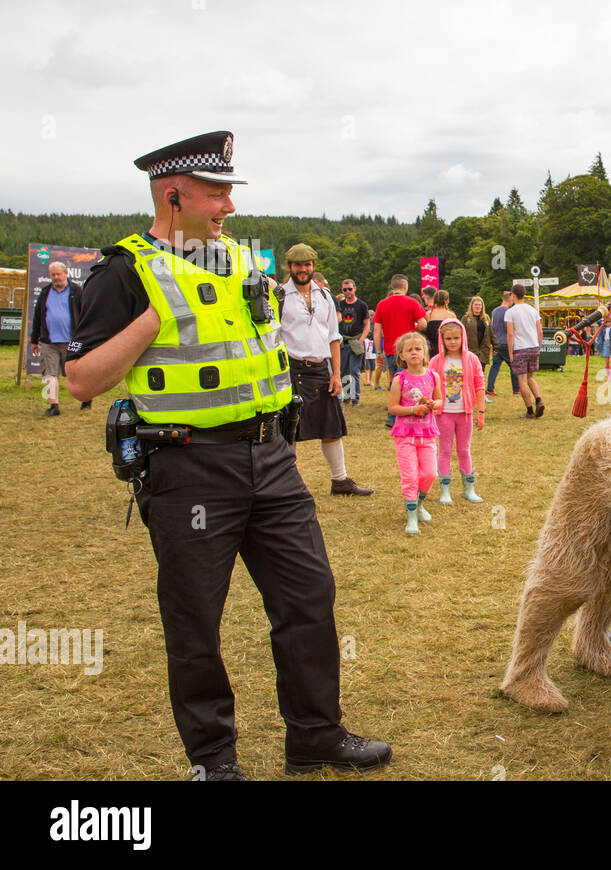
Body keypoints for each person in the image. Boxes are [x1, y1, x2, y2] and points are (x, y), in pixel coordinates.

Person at [63, 131, 390, 780]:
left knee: (309, 598)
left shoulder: (239, 261)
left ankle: (316, 737)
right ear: (174, 194)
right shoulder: (124, 271)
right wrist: (151, 321)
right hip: (189, 472)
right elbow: (82, 380)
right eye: (217, 193)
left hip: (271, 459)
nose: (229, 206)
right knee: (196, 626)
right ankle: (214, 762)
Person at [279, 243, 373, 496]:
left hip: (321, 369)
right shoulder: (280, 296)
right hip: (290, 369)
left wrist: (335, 374)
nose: (303, 269)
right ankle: (288, 486)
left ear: (313, 266)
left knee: (332, 427)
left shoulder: (324, 297)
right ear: (289, 267)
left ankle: (340, 481)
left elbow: (334, 336)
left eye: (307, 264)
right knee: (289, 430)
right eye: (298, 265)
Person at [387, 331, 443, 534]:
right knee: (410, 476)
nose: (414, 353)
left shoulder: (433, 376)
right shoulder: (399, 379)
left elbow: (439, 400)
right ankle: (411, 517)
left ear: (425, 352)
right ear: (401, 355)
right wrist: (412, 410)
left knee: (429, 473)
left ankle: (419, 505)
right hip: (405, 435)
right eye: (408, 350)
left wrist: (433, 403)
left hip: (427, 433)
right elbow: (392, 407)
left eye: (418, 349)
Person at [432, 318, 487, 504]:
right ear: (442, 339)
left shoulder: (471, 359)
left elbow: (479, 385)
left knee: (464, 450)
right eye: (448, 338)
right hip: (444, 413)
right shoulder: (436, 361)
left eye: (456, 337)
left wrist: (481, 412)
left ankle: (468, 489)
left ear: (463, 337)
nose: (453, 342)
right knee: (445, 450)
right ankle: (444, 489)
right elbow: (429, 385)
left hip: (465, 413)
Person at [29, 261, 89, 415]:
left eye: (58, 274)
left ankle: (86, 398)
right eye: (53, 275)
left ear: (65, 273)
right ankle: (54, 406)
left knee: (76, 374)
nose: (56, 277)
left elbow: (86, 314)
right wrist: (34, 339)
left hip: (71, 341)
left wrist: (86, 337)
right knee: (50, 374)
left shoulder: (77, 291)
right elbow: (37, 317)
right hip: (48, 342)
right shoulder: (44, 293)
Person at [372, 274, 428, 426]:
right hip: (409, 349)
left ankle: (393, 416)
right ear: (405, 287)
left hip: (391, 349)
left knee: (395, 381)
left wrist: (378, 352)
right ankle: (410, 412)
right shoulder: (412, 302)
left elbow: (376, 330)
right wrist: (413, 326)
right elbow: (423, 324)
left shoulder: (382, 304)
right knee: (410, 381)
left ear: (392, 287)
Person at [505, 283, 544, 418]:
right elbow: (540, 330)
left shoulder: (510, 312)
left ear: (513, 295)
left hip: (520, 349)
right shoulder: (532, 310)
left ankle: (530, 411)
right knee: (530, 377)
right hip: (533, 347)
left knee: (522, 381)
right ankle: (538, 399)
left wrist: (510, 352)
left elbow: (510, 335)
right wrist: (538, 346)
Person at [335, 277, 370, 406]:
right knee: (343, 370)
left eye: (350, 289)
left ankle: (355, 397)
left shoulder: (361, 305)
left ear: (354, 288)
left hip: (356, 340)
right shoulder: (340, 305)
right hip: (343, 341)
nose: (347, 292)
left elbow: (367, 324)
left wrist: (361, 339)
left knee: (354, 370)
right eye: (345, 289)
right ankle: (347, 396)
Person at [487, 288, 520, 398]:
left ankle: (490, 388)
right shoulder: (509, 312)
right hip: (506, 343)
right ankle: (516, 389)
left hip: (496, 343)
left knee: (495, 366)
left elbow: (492, 327)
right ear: (510, 299)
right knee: (513, 366)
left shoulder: (494, 311)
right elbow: (510, 328)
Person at [462, 295, 493, 376]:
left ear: (482, 306)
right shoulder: (466, 318)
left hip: (483, 350)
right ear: (472, 306)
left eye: (480, 304)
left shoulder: (486, 318)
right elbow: (461, 333)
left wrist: (496, 346)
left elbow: (491, 332)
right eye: (476, 304)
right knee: (470, 372)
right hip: (471, 349)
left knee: (481, 372)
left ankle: (480, 388)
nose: (478, 306)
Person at [422, 287, 455, 354]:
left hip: (431, 349)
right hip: (446, 349)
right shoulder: (451, 315)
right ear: (447, 300)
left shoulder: (428, 314)